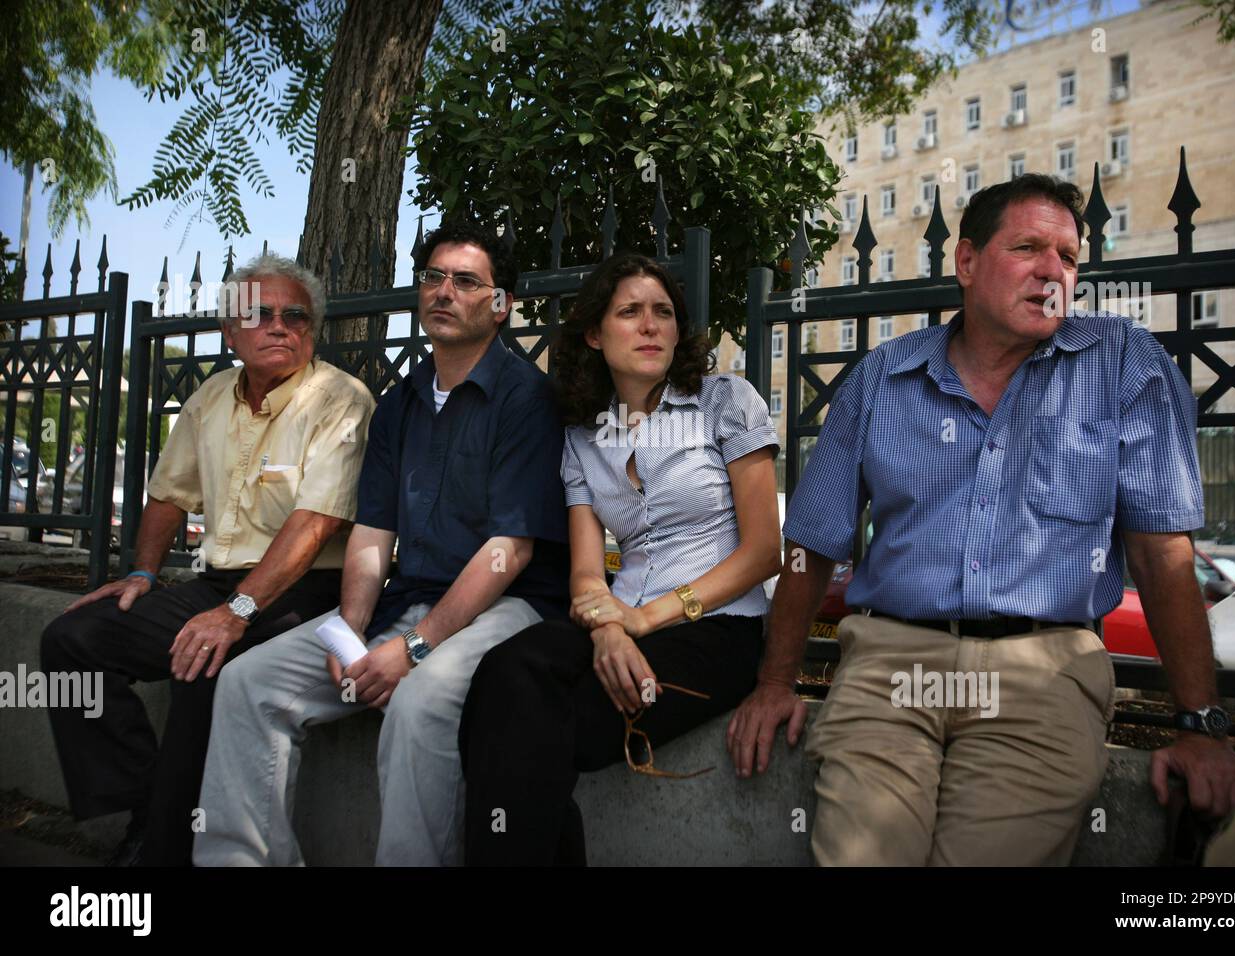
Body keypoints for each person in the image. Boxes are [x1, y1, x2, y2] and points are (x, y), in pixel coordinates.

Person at [726, 173, 1235, 866]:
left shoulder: (1126, 367)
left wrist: (1200, 723)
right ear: (967, 262)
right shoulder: (885, 377)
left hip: (1044, 673)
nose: (1053, 271)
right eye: (1030, 247)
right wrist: (774, 685)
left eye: (1068, 257)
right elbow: (810, 545)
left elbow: (1163, 557)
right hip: (890, 666)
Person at [193, 220, 569, 866]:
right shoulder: (400, 402)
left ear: (500, 304)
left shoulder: (526, 398)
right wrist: (350, 632)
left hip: (507, 606)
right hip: (409, 601)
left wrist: (415, 648)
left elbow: (513, 549)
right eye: (433, 277)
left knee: (419, 702)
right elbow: (372, 532)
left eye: (466, 281)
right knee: (247, 683)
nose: (443, 291)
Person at [40, 254, 375, 866]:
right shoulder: (211, 396)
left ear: (313, 330)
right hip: (219, 584)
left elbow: (317, 522)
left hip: (307, 590)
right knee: (73, 641)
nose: (279, 325)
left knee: (205, 666)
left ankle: (158, 853)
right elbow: (169, 493)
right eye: (260, 314)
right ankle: (143, 803)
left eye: (295, 315)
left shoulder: (341, 399)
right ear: (229, 331)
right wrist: (142, 572)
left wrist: (239, 610)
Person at [458, 252, 781, 865]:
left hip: (714, 630)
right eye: (629, 312)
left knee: (531, 730)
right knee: (509, 668)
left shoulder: (725, 402)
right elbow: (586, 569)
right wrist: (609, 626)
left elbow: (766, 551)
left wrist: (646, 619)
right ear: (594, 333)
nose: (650, 325)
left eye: (663, 312)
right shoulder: (582, 435)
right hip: (621, 618)